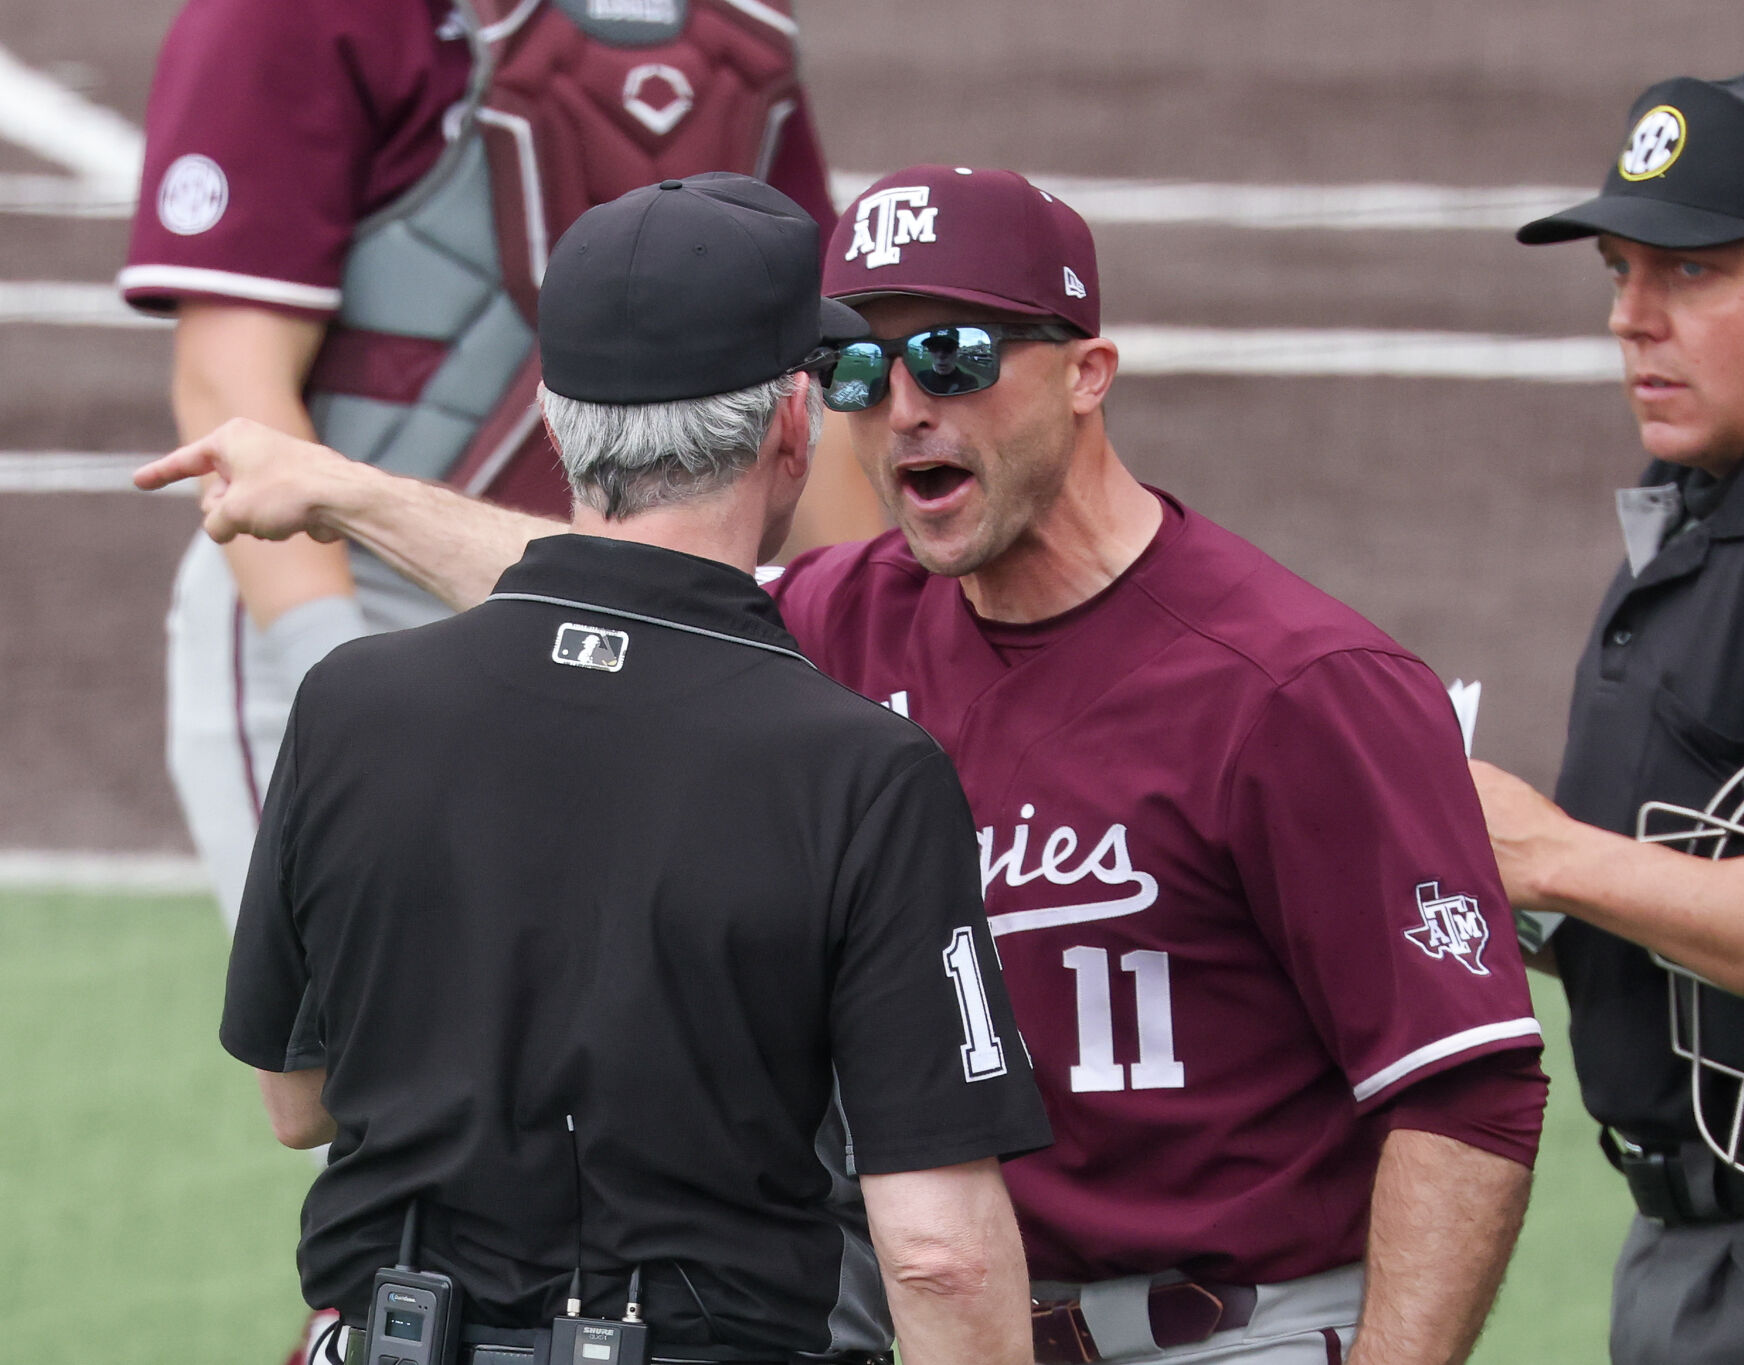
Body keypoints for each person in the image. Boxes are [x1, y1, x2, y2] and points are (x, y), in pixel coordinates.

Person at [141, 165, 1550, 1365]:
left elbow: (1464, 1090)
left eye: (957, 357)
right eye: (866, 368)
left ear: (1089, 373)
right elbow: (624, 603)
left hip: (1216, 1329)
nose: (907, 410)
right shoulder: (842, 620)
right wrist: (349, 492)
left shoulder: (1299, 688)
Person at [220, 173, 1052, 1365]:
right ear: (785, 431)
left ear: (560, 428)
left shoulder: (353, 703)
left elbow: (299, 1103)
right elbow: (937, 1253)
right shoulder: (863, 772)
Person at [116, 0, 867, 932]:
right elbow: (228, 378)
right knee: (356, 1057)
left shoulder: (724, 28)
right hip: (356, 602)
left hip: (646, 622)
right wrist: (344, 686)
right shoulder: (296, 16)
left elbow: (799, 363)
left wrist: (876, 663)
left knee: (643, 1037)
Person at [1469, 73, 1744, 1365]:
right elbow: (1673, 869)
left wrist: (1550, 855)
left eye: (1687, 273)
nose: (1632, 320)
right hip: (1684, 1252)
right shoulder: (1687, 512)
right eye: (1622, 270)